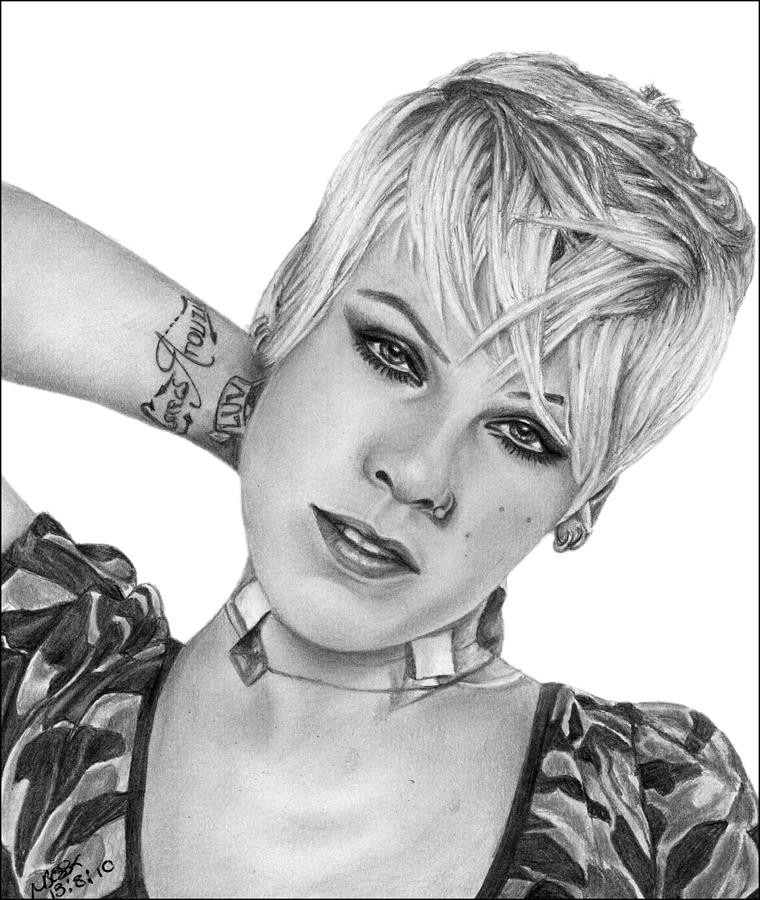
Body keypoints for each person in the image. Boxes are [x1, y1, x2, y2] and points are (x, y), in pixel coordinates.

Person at [1, 51, 757, 899]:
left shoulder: (659, 815)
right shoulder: (52, 695)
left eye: (524, 433)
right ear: (291, 304)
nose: (419, 471)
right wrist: (265, 404)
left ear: (586, 501)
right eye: (392, 353)